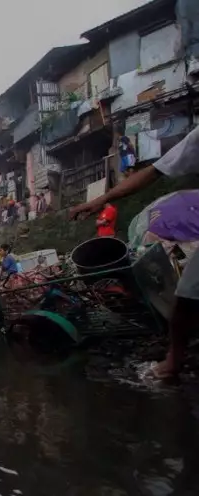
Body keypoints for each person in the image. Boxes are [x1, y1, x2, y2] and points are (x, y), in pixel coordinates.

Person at [70, 125, 199, 380]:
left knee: (184, 300)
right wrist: (98, 201)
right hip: (105, 238)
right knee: (185, 297)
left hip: (106, 237)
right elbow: (154, 171)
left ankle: (173, 364)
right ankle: (173, 361)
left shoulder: (110, 214)